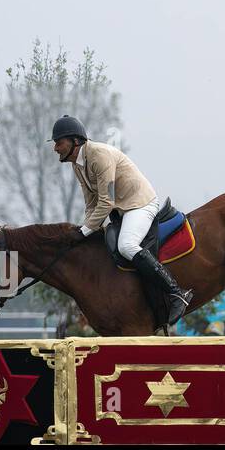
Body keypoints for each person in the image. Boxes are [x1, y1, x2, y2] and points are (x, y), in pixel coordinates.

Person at [50, 115, 193, 325]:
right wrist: (84, 228)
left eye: (59, 143)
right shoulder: (77, 165)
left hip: (141, 204)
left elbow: (106, 202)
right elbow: (91, 203)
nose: (55, 148)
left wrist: (84, 231)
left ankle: (176, 292)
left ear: (75, 141)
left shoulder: (99, 155)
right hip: (123, 209)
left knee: (127, 245)